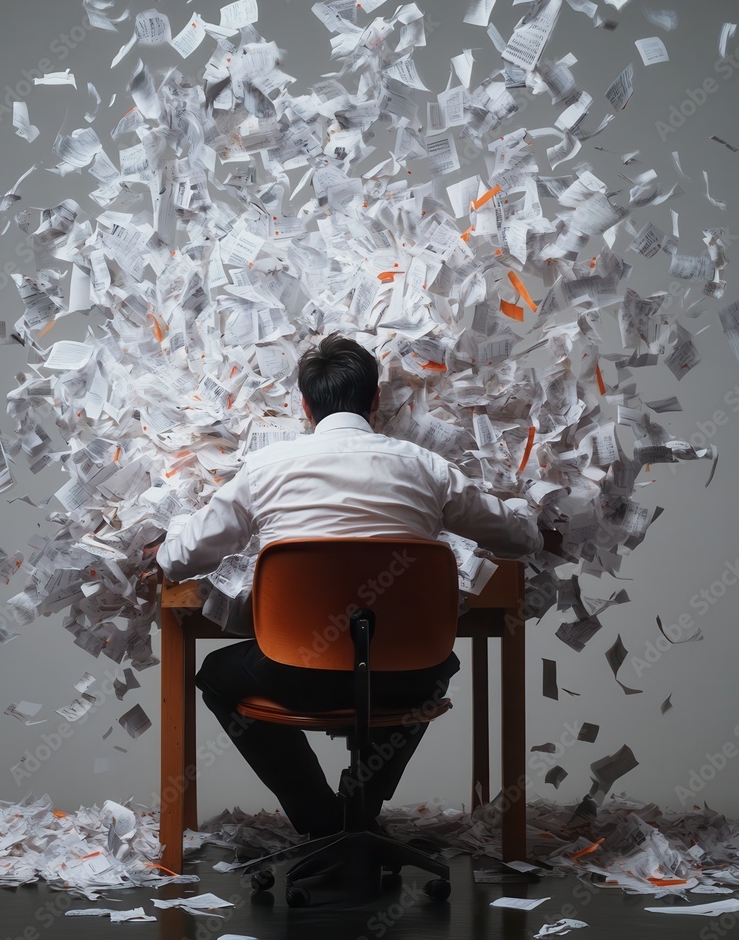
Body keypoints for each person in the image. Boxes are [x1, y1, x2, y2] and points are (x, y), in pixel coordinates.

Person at [151, 333, 543, 838]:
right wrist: (530, 515)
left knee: (216, 675)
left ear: (305, 405)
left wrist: (167, 539)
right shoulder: (427, 468)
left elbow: (177, 559)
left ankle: (319, 818)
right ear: (374, 400)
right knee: (436, 663)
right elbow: (518, 538)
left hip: (296, 672)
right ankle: (359, 810)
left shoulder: (265, 470)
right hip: (403, 675)